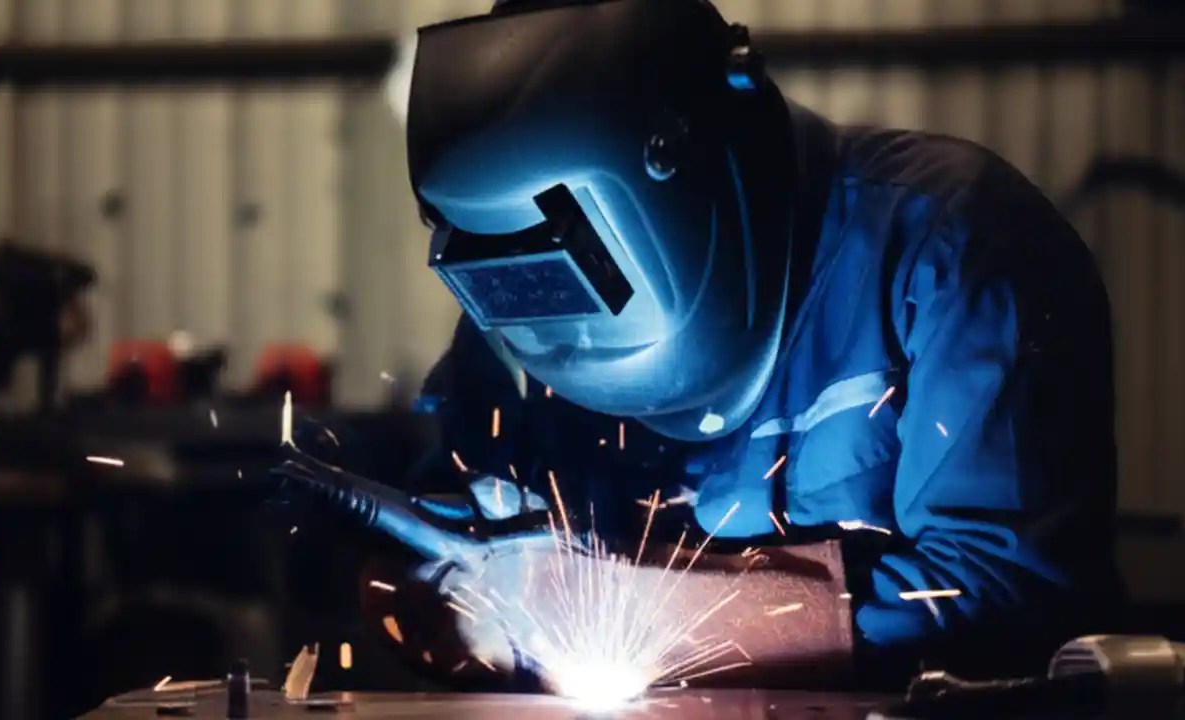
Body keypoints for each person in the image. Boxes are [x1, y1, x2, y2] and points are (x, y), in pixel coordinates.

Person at [385, 0, 1122, 689]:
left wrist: (636, 613)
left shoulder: (949, 245)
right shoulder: (519, 322)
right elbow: (422, 542)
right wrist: (438, 591)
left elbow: (1004, 592)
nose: (556, 320)